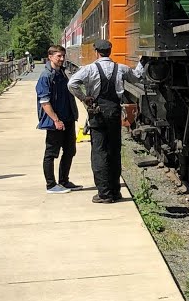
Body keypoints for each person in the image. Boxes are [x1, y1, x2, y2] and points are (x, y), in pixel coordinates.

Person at [67, 39, 147, 203]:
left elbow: (72, 83)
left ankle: (104, 193)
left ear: (96, 51)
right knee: (114, 150)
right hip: (114, 111)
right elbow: (138, 76)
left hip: (97, 112)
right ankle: (115, 191)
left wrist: (84, 98)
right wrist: (143, 59)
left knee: (99, 151)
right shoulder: (121, 68)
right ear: (110, 51)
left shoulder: (89, 69)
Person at [37, 45, 81, 194]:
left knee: (70, 150)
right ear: (50, 57)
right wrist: (55, 119)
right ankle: (51, 185)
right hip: (55, 122)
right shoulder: (46, 76)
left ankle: (64, 181)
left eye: (63, 56)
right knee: (51, 153)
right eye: (59, 56)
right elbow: (44, 102)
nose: (62, 59)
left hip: (68, 119)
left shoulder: (61, 73)